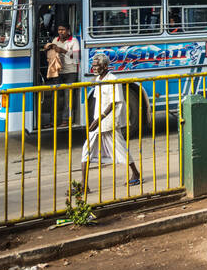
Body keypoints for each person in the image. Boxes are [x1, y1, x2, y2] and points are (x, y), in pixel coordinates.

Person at [81, 54, 141, 188]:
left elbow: (114, 103)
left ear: (105, 66)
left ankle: (136, 174)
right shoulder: (98, 79)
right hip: (99, 122)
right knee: (87, 149)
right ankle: (84, 184)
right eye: (93, 65)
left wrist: (99, 118)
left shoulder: (113, 79)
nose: (94, 67)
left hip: (108, 121)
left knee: (120, 149)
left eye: (97, 65)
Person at [43, 24, 81, 128]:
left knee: (68, 97)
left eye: (63, 30)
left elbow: (77, 57)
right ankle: (53, 121)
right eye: (59, 30)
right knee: (54, 97)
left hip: (71, 72)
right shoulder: (56, 40)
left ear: (68, 30)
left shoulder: (74, 41)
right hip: (58, 72)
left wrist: (62, 51)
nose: (61, 32)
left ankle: (65, 120)